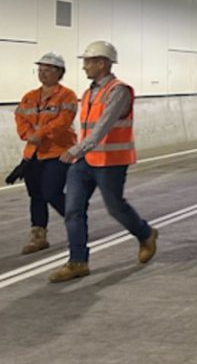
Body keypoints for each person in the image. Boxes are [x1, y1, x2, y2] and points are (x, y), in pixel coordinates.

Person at [49, 41, 158, 283]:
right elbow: (87, 128)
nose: (84, 67)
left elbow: (102, 127)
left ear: (102, 63)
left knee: (115, 207)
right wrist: (80, 152)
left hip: (110, 161)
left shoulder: (118, 91)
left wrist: (76, 150)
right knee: (73, 210)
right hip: (84, 161)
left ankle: (146, 234)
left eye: (88, 62)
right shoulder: (89, 92)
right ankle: (78, 261)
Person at [13, 53, 78, 255]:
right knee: (36, 195)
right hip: (33, 153)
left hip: (58, 153)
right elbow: (20, 118)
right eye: (40, 70)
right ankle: (38, 237)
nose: (43, 73)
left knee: (51, 192)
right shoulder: (29, 96)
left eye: (48, 70)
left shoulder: (67, 95)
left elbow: (63, 121)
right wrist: (28, 135)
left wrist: (40, 134)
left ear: (60, 72)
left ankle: (77, 222)